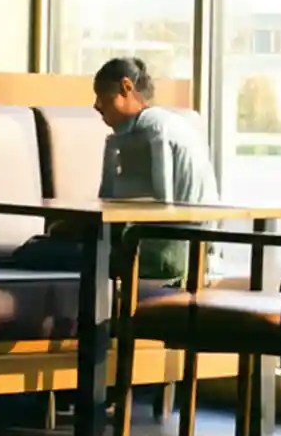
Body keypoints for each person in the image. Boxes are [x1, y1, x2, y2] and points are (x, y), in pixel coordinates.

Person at [14, 57, 221, 285]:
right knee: (49, 243)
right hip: (193, 255)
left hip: (158, 255)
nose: (96, 106)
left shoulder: (146, 132)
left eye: (102, 96)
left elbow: (142, 207)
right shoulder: (171, 124)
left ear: (126, 87)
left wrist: (72, 227)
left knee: (35, 251)